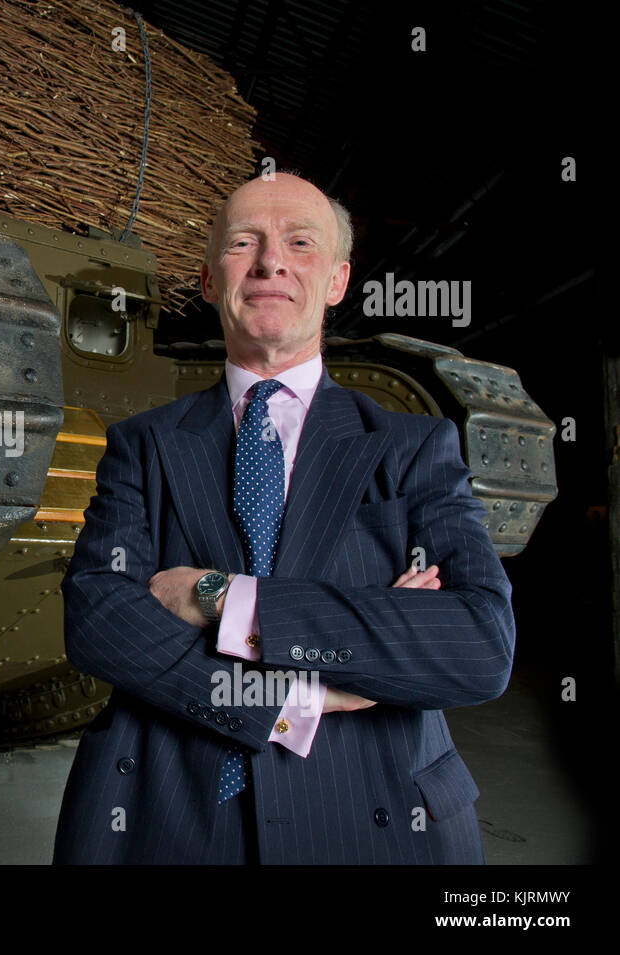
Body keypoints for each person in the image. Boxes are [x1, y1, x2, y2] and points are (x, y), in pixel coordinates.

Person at [51, 172, 514, 864]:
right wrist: (293, 700)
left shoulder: (414, 449)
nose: (272, 261)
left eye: (301, 243)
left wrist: (223, 597)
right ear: (209, 279)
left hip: (374, 820)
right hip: (166, 818)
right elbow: (98, 619)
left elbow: (477, 644)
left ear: (335, 280)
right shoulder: (142, 445)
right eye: (245, 243)